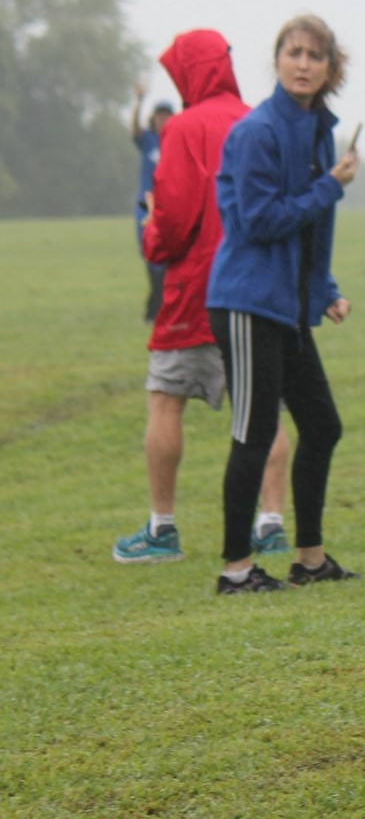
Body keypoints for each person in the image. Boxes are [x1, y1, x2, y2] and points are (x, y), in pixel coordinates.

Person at [112, 30, 291, 565]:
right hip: (258, 289)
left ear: (190, 72)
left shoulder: (185, 127)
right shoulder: (263, 120)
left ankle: (162, 530)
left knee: (165, 399)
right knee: (265, 409)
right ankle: (273, 522)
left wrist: (149, 225)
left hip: (196, 292)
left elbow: (173, 222)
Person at [206, 14, 362, 594]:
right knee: (254, 432)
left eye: (314, 56)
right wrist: (332, 185)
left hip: (290, 308)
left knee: (321, 425)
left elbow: (314, 229)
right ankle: (236, 569)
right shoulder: (256, 132)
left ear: (329, 70)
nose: (303, 64)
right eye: (293, 53)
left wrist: (325, 290)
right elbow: (261, 221)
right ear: (276, 61)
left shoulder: (317, 130)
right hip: (246, 303)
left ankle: (311, 560)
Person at [130, 85, 173, 323]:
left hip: (169, 205)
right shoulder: (148, 140)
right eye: (160, 115)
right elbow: (134, 128)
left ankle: (156, 308)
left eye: (167, 115)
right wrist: (138, 100)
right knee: (150, 254)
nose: (163, 119)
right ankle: (155, 306)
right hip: (146, 206)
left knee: (166, 256)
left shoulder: (176, 138)